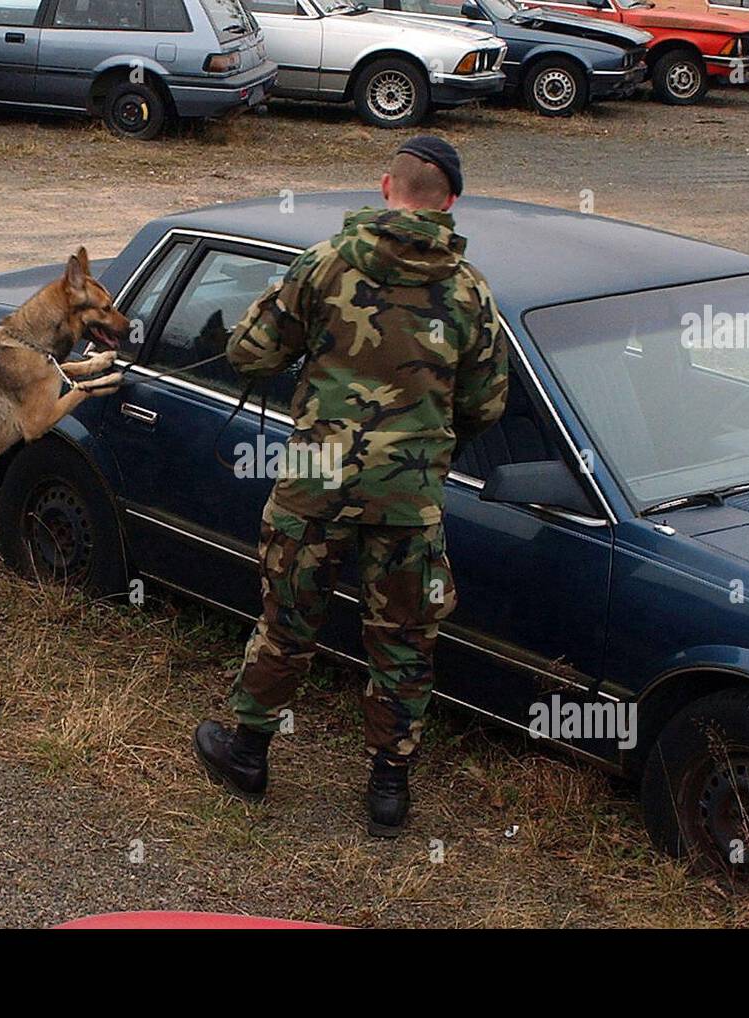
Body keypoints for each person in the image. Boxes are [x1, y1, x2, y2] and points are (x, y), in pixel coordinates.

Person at [193, 136, 509, 836]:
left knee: (285, 626)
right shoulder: (469, 291)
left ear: (385, 185)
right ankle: (388, 793)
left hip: (314, 485)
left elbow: (249, 352)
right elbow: (487, 405)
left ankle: (248, 754)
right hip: (408, 498)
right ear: (450, 201)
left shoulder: (324, 264)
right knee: (403, 640)